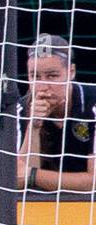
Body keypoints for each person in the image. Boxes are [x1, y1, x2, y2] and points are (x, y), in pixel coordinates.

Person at [17, 33, 96, 192]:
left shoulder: (92, 104)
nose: (42, 86)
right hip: (41, 208)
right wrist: (34, 126)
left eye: (52, 76)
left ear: (71, 72)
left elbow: (94, 181)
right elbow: (15, 182)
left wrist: (32, 175)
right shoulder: (20, 109)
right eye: (35, 76)